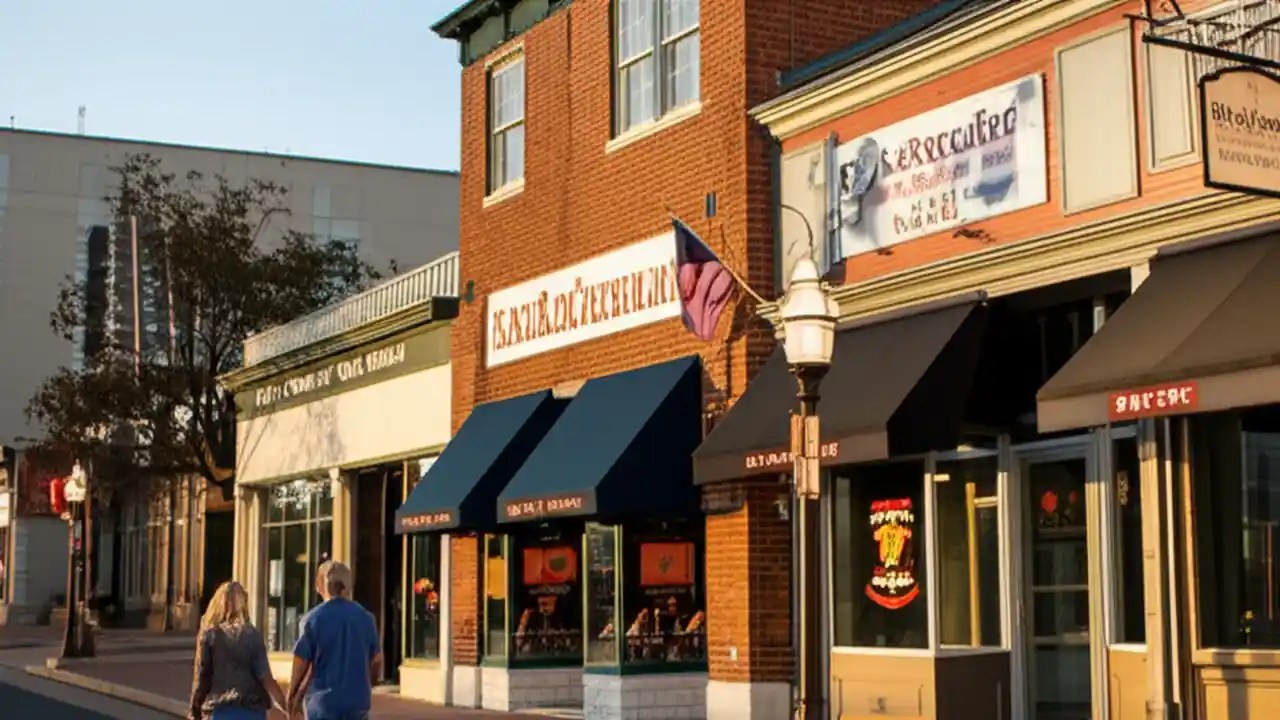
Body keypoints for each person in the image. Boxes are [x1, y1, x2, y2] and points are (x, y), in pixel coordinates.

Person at [287, 560, 381, 720]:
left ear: (321, 585)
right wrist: (367, 684)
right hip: (357, 702)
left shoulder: (313, 619)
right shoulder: (366, 618)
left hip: (323, 704)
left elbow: (301, 662)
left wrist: (292, 694)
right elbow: (377, 660)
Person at [188, 580, 287, 720]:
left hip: (220, 710)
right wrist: (286, 706)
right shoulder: (253, 635)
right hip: (252, 710)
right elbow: (265, 677)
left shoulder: (210, 635)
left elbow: (201, 676)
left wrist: (194, 709)